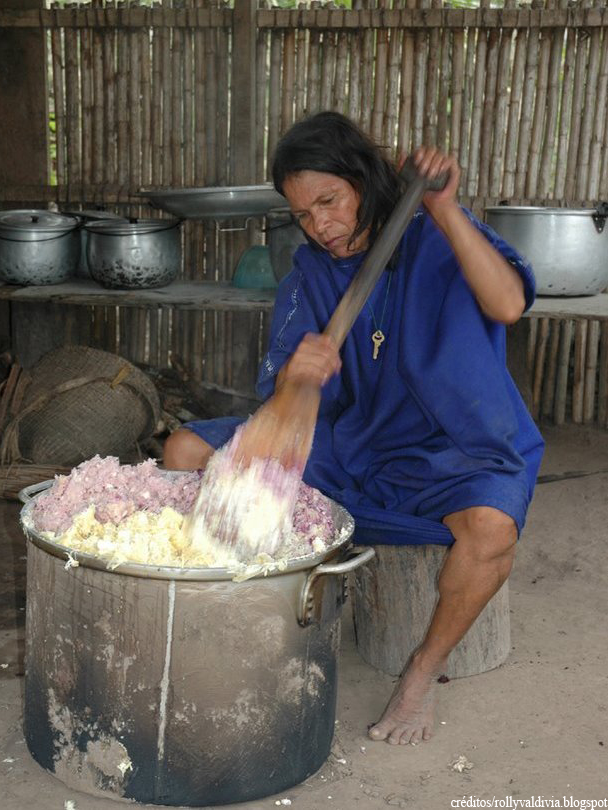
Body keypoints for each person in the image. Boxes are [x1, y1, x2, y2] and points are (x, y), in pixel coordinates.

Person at [163, 111, 545, 746]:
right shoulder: (309, 275)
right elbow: (281, 399)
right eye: (303, 214)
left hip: (456, 452)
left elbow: (508, 303)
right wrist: (296, 378)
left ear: (363, 179)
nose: (321, 226)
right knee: (184, 448)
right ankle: (222, 622)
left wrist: (446, 209)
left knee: (492, 528)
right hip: (353, 446)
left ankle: (422, 673)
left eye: (330, 201)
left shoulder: (435, 238)